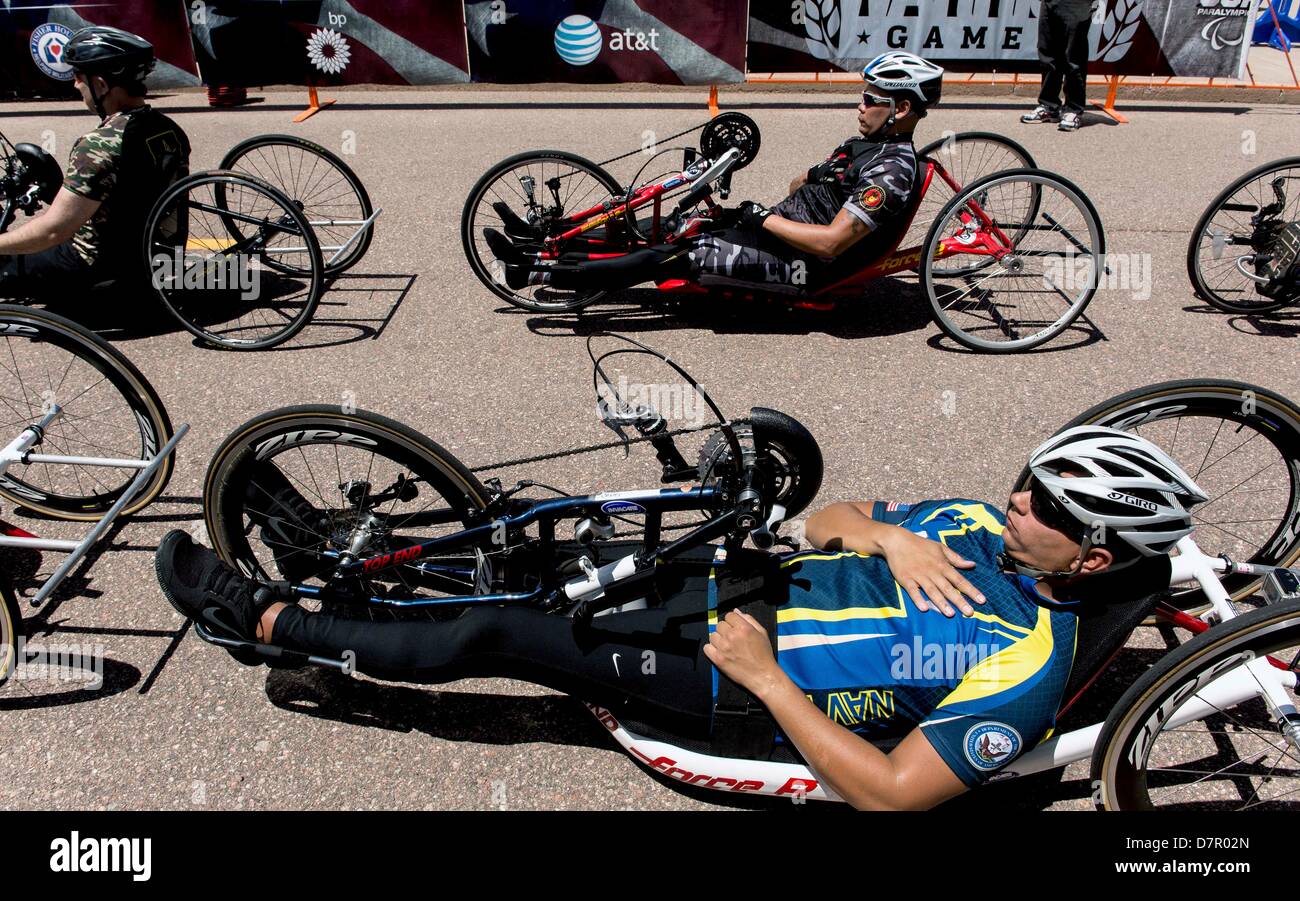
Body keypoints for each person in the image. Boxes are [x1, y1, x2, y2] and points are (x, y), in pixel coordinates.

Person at [154, 426, 1207, 810]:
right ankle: (320, 550)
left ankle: (264, 616)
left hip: (725, 675)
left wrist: (764, 678)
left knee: (506, 631)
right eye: (1025, 483)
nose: (1011, 499)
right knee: (538, 546)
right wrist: (882, 535)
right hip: (739, 580)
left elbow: (892, 793)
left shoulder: (1027, 658)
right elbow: (830, 512)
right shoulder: (973, 521)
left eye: (1040, 507)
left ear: (1096, 555)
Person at [484, 52, 944, 297]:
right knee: (671, 223)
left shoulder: (892, 170)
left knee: (675, 254)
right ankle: (544, 238)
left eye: (870, 99)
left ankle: (535, 274)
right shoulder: (862, 146)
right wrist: (802, 187)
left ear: (900, 108)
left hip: (803, 267)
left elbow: (831, 244)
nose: (859, 105)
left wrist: (762, 217)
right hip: (776, 232)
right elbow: (799, 188)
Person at [0, 26, 190, 298]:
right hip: (154, 256)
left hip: (95, 268)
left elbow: (52, 232)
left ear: (100, 84)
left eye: (79, 76)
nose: (75, 84)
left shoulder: (98, 145)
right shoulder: (169, 129)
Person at [1021, 0, 1096, 132]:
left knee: (1074, 57)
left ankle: (1073, 110)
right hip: (1051, 2)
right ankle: (1049, 106)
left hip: (1077, 4)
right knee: (1048, 54)